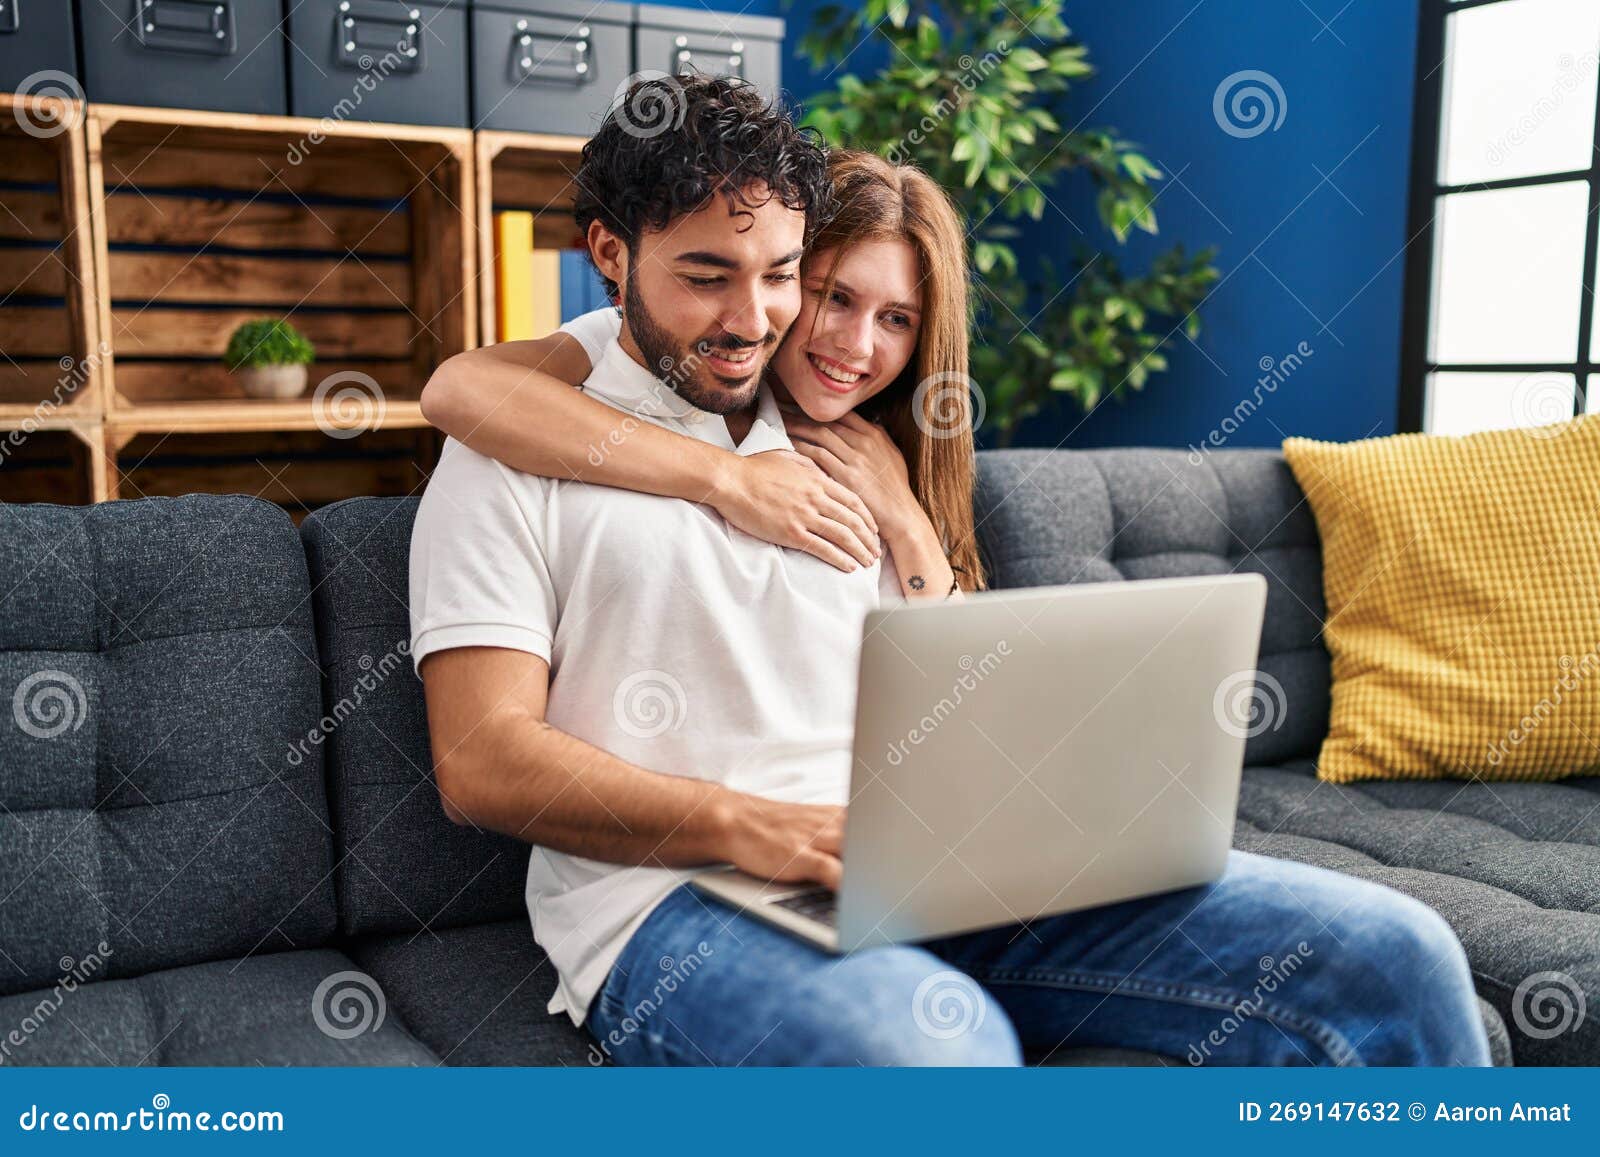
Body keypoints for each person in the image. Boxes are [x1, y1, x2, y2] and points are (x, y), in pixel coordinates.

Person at [409, 75, 1493, 1066]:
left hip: (930, 864)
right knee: (933, 1052)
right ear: (610, 254)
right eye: (706, 277)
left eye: (782, 277)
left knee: (1393, 953)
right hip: (679, 902)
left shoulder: (838, 423)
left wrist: (909, 527)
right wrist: (753, 821)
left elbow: (967, 709)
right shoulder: (518, 441)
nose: (752, 320)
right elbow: (482, 760)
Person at [420, 147, 982, 600]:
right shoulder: (661, 345)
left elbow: (964, 674)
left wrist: (907, 521)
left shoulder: (889, 448)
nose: (857, 345)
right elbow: (457, 389)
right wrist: (734, 479)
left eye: (897, 319)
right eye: (834, 296)